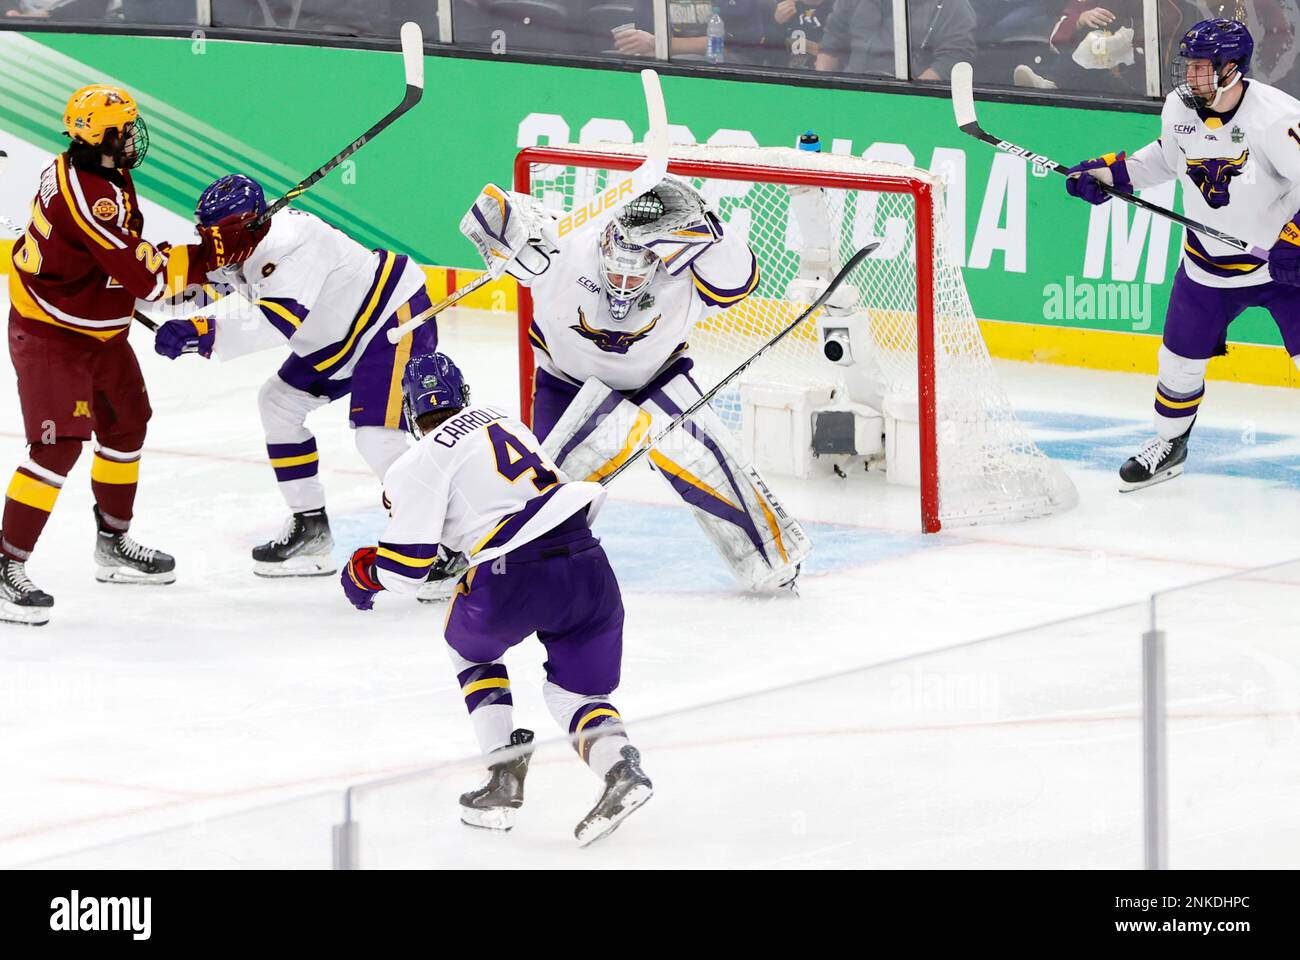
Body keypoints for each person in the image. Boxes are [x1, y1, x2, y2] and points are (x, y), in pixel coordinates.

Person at [339, 352, 653, 846]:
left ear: (409, 413)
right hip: (587, 562)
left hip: (511, 573)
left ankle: (503, 775)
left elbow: (407, 570)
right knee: (579, 695)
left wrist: (365, 574)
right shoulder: (507, 421)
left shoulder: (414, 461)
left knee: (469, 651)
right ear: (462, 395)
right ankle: (621, 771)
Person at [460, 177, 810, 591]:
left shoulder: (686, 260)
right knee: (542, 493)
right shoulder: (568, 243)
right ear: (604, 245)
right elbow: (488, 208)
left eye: (636, 276)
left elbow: (740, 281)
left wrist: (703, 222)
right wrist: (505, 236)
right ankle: (477, 562)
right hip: (567, 387)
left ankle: (768, 558)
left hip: (657, 383)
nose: (623, 286)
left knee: (712, 468)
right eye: (616, 272)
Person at [1, 84, 218, 626]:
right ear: (100, 137)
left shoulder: (100, 171)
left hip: (98, 327)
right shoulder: (90, 194)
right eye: (124, 129)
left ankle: (113, 544)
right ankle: (5, 563)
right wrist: (212, 255)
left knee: (126, 428)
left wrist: (178, 264)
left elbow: (121, 252)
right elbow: (145, 278)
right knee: (57, 449)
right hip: (53, 334)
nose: (133, 137)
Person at [152, 174, 437, 577]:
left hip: (388, 320)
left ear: (247, 223)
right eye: (207, 233)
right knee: (278, 403)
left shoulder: (294, 240)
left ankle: (442, 543)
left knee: (377, 438)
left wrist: (200, 334)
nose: (213, 243)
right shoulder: (240, 244)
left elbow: (275, 323)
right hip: (337, 340)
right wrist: (131, 291)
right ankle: (312, 529)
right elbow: (198, 288)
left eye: (219, 233)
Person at [1063, 19, 1300, 490]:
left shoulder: (1276, 118)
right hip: (1206, 266)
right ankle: (1170, 444)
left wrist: (1296, 235)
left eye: (1201, 68)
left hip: (1280, 269)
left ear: (1232, 70)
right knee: (1177, 362)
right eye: (1188, 67)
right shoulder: (1180, 107)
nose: (1190, 78)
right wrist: (1114, 177)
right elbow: (1167, 159)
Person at [814, 0, 976, 80]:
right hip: (850, 92)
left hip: (912, 101)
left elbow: (954, 57)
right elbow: (831, 43)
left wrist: (909, 96)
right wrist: (823, 87)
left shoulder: (951, 5)